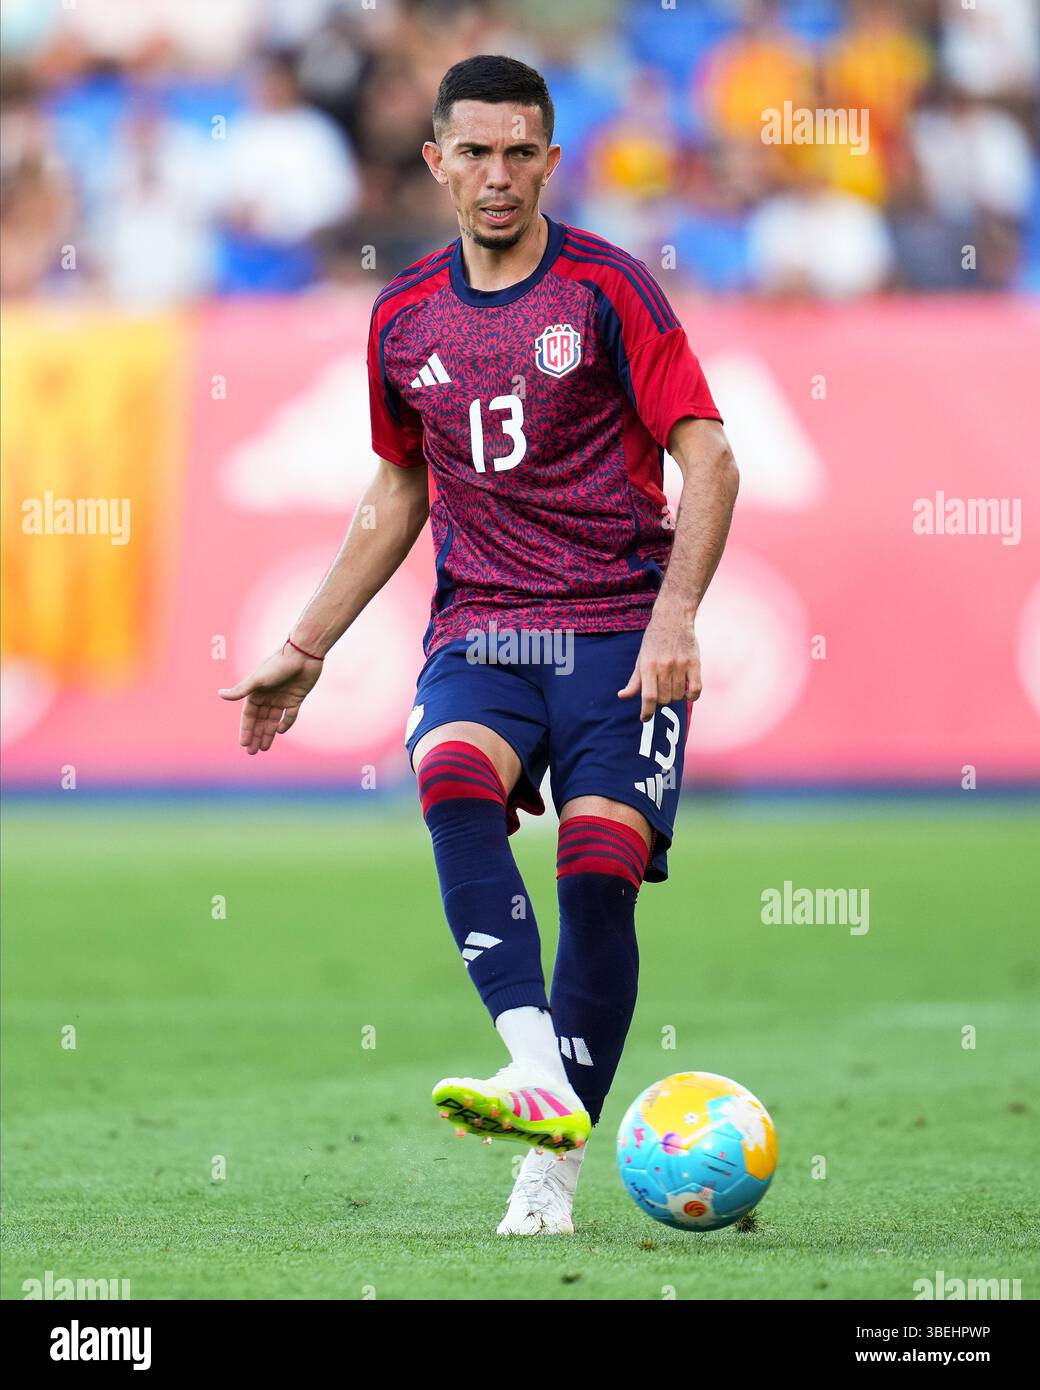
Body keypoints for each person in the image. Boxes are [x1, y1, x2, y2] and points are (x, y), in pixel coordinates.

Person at [219, 54, 738, 1235]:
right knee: (448, 773)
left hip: (617, 626)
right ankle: (533, 1071)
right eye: (474, 152)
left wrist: (674, 614)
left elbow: (707, 458)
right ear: (435, 158)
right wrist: (305, 643)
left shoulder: (611, 293)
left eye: (519, 153)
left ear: (550, 160)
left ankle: (544, 1169)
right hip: (484, 628)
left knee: (597, 881)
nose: (496, 176)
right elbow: (400, 485)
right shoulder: (402, 315)